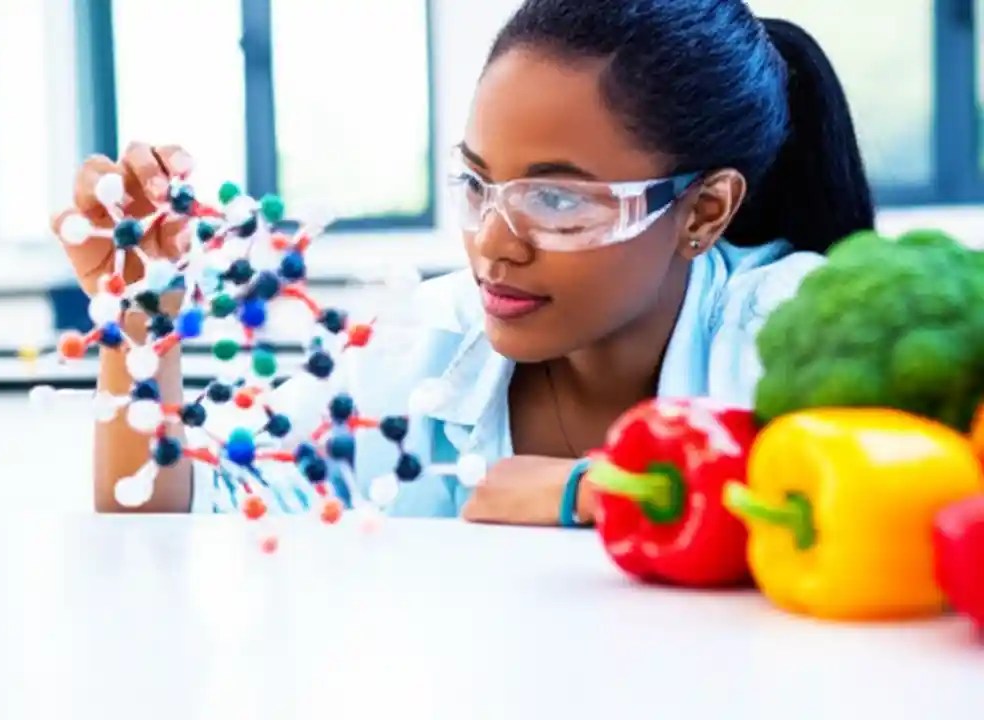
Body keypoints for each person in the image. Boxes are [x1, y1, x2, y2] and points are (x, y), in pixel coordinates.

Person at [51, 0, 874, 526]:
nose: (493, 242)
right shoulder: (424, 345)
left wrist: (586, 492)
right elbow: (164, 512)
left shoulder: (796, 330)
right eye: (479, 184)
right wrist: (139, 320)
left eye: (558, 201)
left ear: (702, 212)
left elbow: (907, 521)